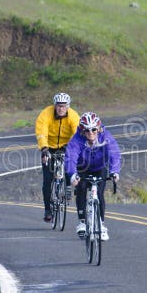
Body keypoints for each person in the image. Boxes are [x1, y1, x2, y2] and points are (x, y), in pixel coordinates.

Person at [65, 111, 121, 241]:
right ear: (82, 131)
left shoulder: (105, 136)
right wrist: (73, 175)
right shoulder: (77, 139)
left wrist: (114, 172)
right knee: (81, 189)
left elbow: (115, 154)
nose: (91, 133)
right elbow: (70, 157)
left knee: (99, 194)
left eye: (94, 129)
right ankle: (82, 222)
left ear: (99, 128)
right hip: (82, 168)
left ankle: (101, 225)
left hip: (100, 167)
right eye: (87, 130)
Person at [35, 93, 80, 222]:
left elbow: (77, 133)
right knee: (47, 180)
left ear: (68, 106)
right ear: (55, 106)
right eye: (59, 106)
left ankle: (68, 187)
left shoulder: (73, 116)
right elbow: (41, 132)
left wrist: (72, 149)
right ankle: (48, 210)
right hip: (49, 146)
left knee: (70, 165)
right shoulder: (45, 114)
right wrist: (44, 149)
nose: (61, 109)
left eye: (64, 106)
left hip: (67, 145)